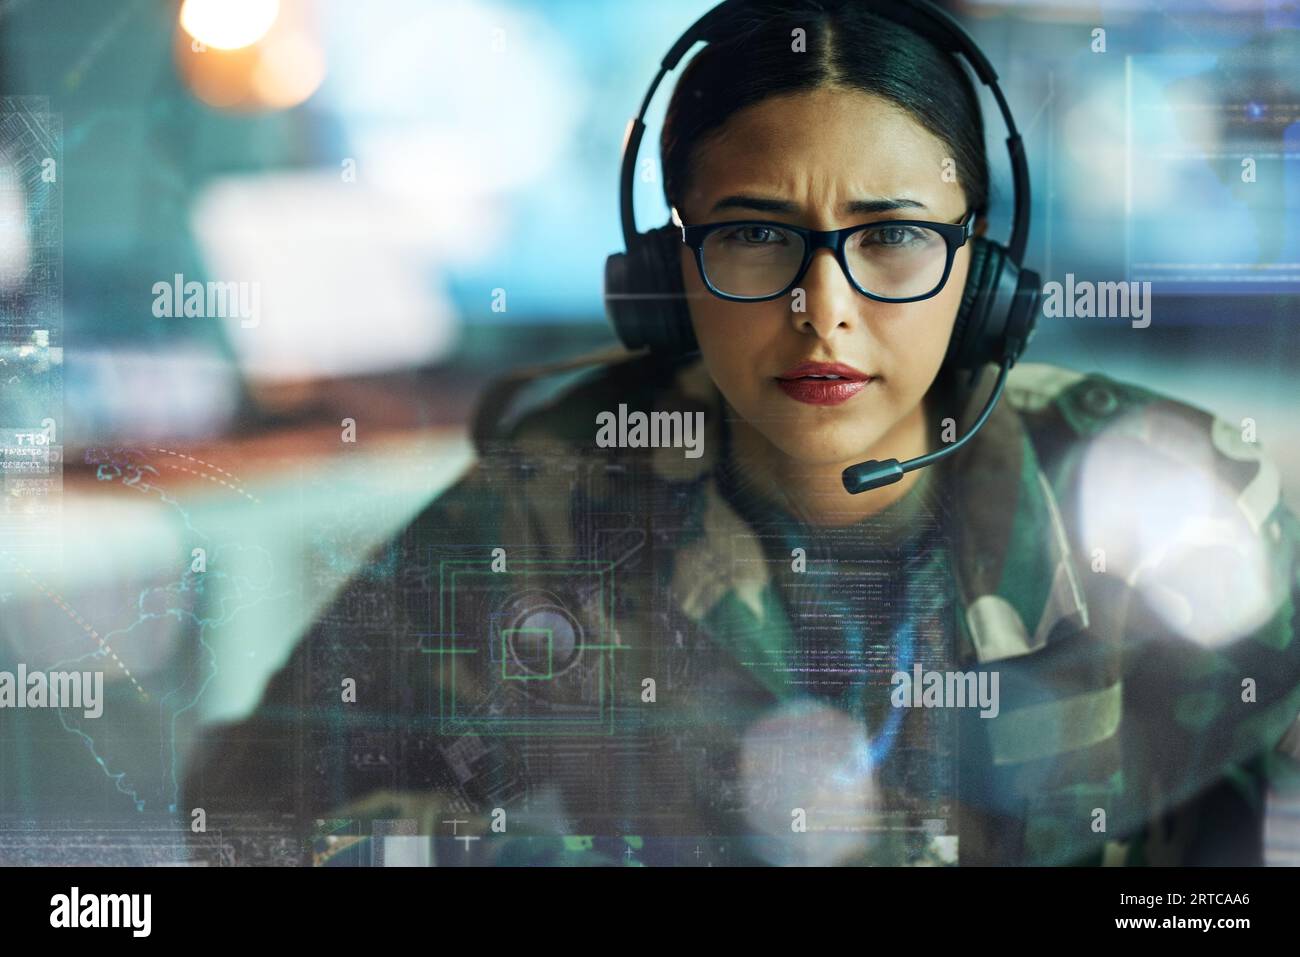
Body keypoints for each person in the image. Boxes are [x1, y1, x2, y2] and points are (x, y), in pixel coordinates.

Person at [182, 0, 1300, 866]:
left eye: (896, 237)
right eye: (759, 236)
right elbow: (254, 810)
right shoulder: (554, 497)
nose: (826, 313)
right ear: (667, 281)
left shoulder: (1170, 502)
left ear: (984, 275)